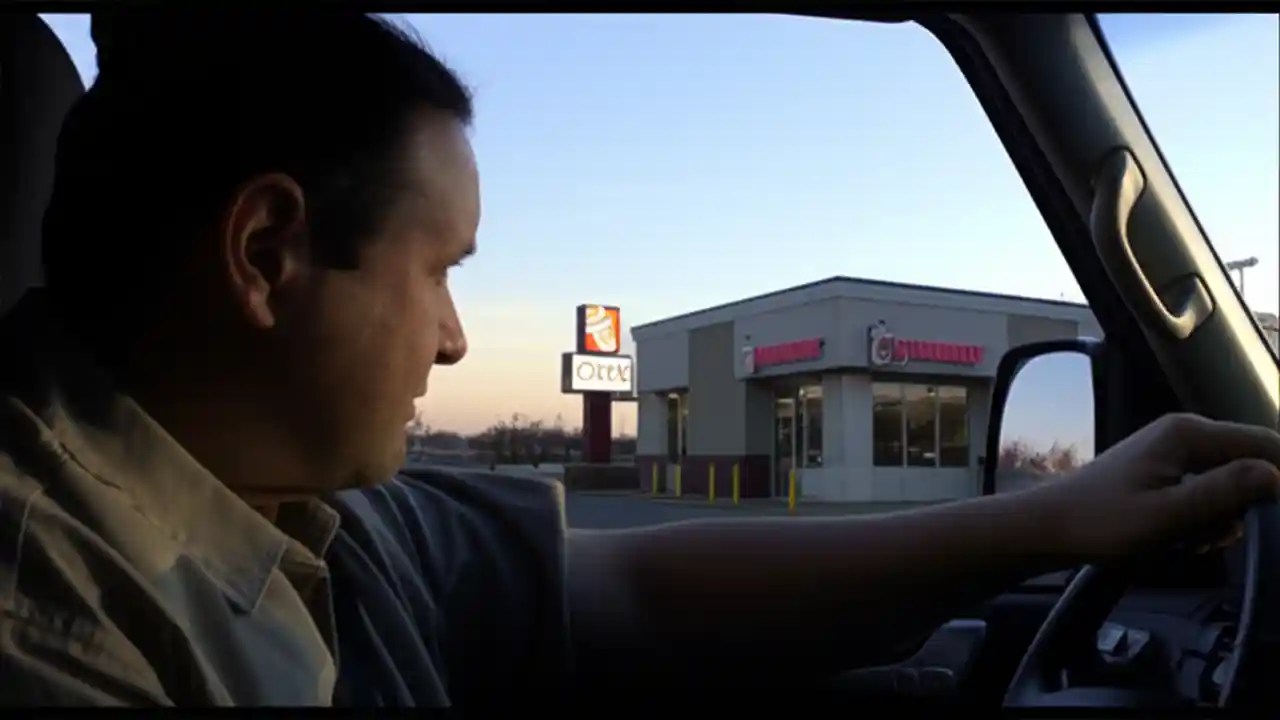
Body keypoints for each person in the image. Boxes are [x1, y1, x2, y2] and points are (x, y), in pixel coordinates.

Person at [1, 9, 1278, 710]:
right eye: (438, 269)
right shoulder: (52, 621)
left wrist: (1050, 519)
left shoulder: (305, 507)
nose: (451, 335)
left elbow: (631, 594)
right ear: (267, 252)